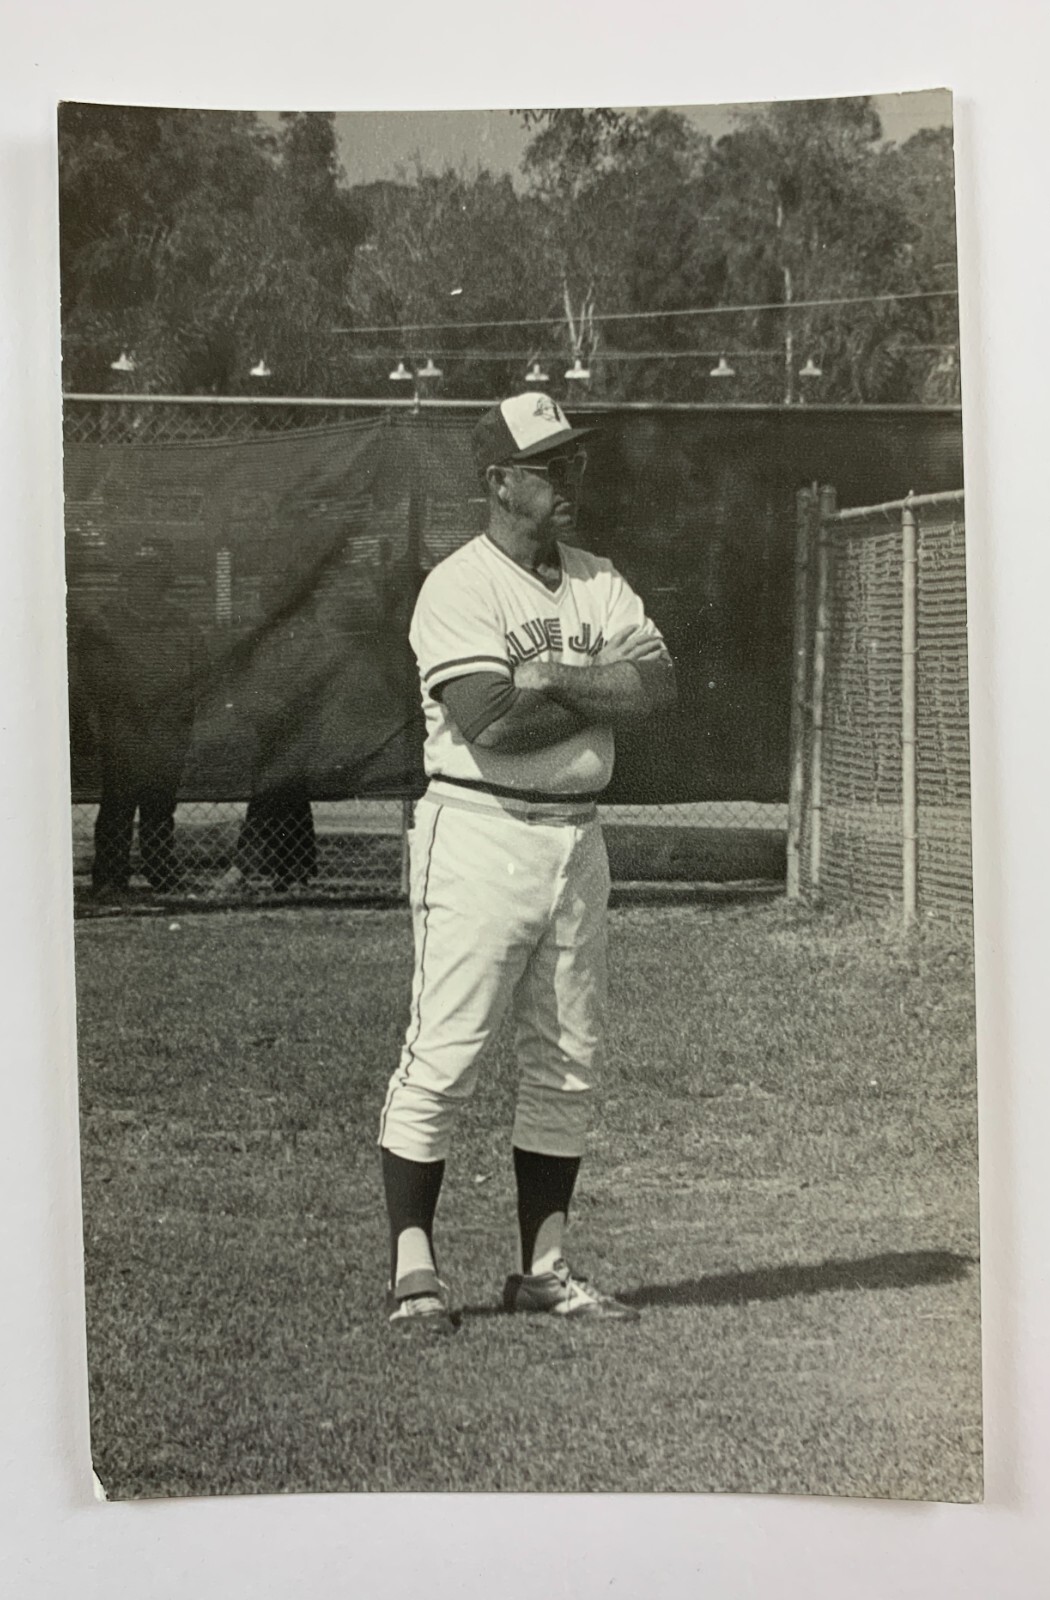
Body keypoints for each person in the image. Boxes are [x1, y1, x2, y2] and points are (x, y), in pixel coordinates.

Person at [378, 392, 677, 1332]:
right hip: (479, 832)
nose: (570, 480)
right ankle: (413, 1268)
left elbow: (660, 687)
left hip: (576, 840)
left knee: (568, 1059)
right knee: (446, 1051)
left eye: (574, 461)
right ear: (498, 482)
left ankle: (543, 1269)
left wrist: (552, 676)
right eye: (550, 467)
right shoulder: (458, 586)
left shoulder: (596, 577)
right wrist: (600, 690)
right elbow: (493, 724)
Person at [76, 542, 206, 897]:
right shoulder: (106, 621)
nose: (148, 584)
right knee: (118, 805)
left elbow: (200, 669)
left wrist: (182, 711)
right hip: (125, 727)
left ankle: (161, 872)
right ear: (128, 580)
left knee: (160, 806)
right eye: (141, 576)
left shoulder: (182, 622)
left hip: (167, 730)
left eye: (156, 577)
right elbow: (91, 675)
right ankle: (110, 879)